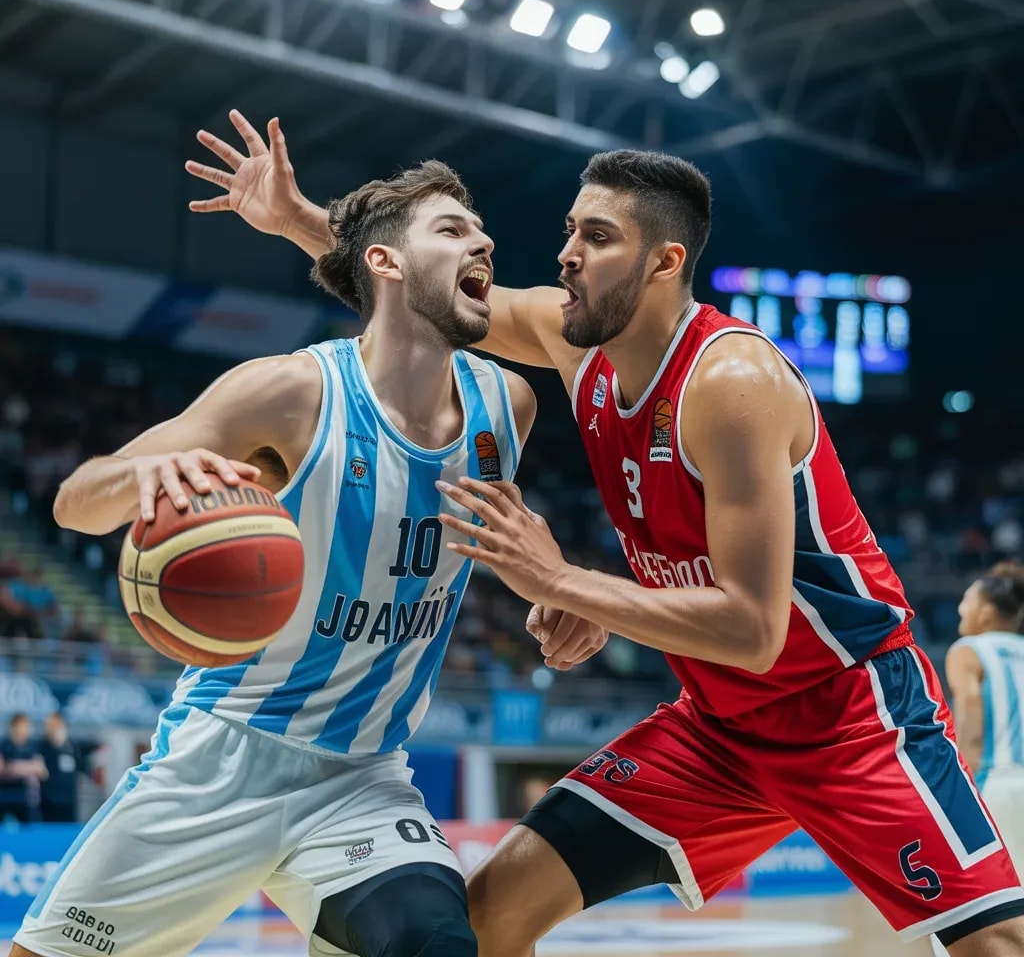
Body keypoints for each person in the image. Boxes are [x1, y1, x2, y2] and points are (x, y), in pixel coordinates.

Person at [196, 110, 1024, 955]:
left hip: (847, 715)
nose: (566, 255)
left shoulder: (730, 381)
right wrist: (299, 219)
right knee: (484, 921)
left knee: (991, 945)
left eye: (596, 237)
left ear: (665, 262)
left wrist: (561, 582)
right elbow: (430, 300)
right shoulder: (575, 343)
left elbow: (751, 627)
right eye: (569, 232)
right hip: (717, 730)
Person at [11, 131, 606, 957]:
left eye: (481, 231)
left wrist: (556, 592)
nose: (483, 241)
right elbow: (78, 501)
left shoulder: (509, 404)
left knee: (437, 943)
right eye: (452, 229)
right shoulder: (289, 392)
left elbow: (491, 531)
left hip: (362, 779)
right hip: (224, 758)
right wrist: (148, 475)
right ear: (386, 265)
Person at [947, 561, 1024, 870]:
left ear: (986, 612)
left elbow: (970, 718)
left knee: (1003, 898)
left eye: (967, 600)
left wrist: (960, 786)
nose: (960, 608)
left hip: (997, 781)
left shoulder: (968, 650)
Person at [0, 713, 46, 824]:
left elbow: (42, 771)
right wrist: (29, 767)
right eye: (21, 726)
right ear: (13, 727)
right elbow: (2, 769)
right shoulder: (3, 745)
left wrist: (14, 767)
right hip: (5, 796)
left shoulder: (33, 747)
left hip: (26, 797)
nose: (24, 730)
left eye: (26, 726)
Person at [39, 713, 80, 824]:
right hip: (49, 801)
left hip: (69, 800)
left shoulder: (72, 747)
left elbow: (79, 769)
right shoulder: (42, 747)